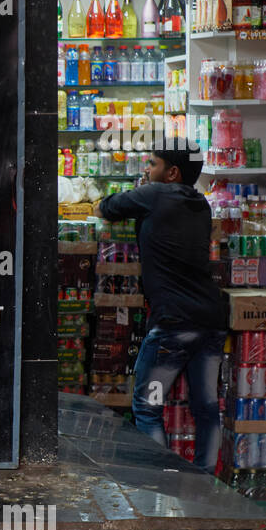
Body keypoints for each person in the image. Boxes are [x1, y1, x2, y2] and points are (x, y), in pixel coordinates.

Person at [98, 147, 227, 472]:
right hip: (211, 321)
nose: (148, 168)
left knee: (147, 406)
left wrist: (141, 188)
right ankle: (206, 483)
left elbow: (108, 207)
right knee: (207, 408)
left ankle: (161, 484)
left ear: (172, 173)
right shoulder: (201, 205)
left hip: (174, 324)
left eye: (153, 164)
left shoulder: (155, 194)